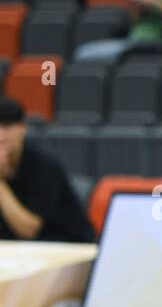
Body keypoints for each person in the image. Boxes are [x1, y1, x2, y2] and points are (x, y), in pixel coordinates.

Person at [0, 97, 95, 244]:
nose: (1, 136)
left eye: (6, 127)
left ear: (22, 129)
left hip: (68, 246)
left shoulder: (45, 166)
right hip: (19, 252)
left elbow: (28, 230)